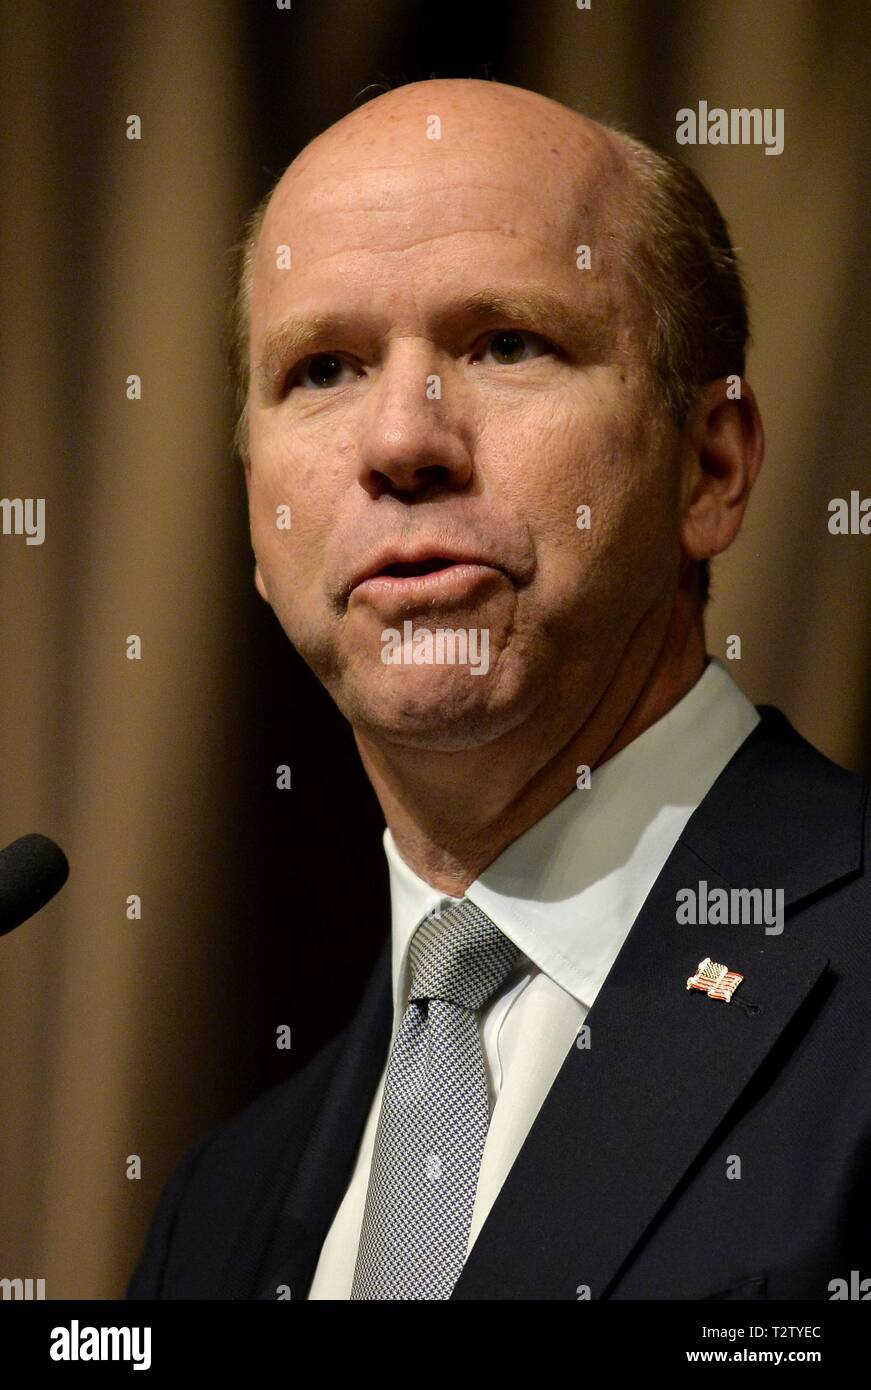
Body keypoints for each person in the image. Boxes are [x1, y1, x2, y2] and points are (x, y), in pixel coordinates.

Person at [126, 78, 870, 1301]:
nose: (400, 442)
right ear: (257, 524)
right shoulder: (215, 1214)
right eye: (322, 368)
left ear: (710, 467)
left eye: (506, 345)